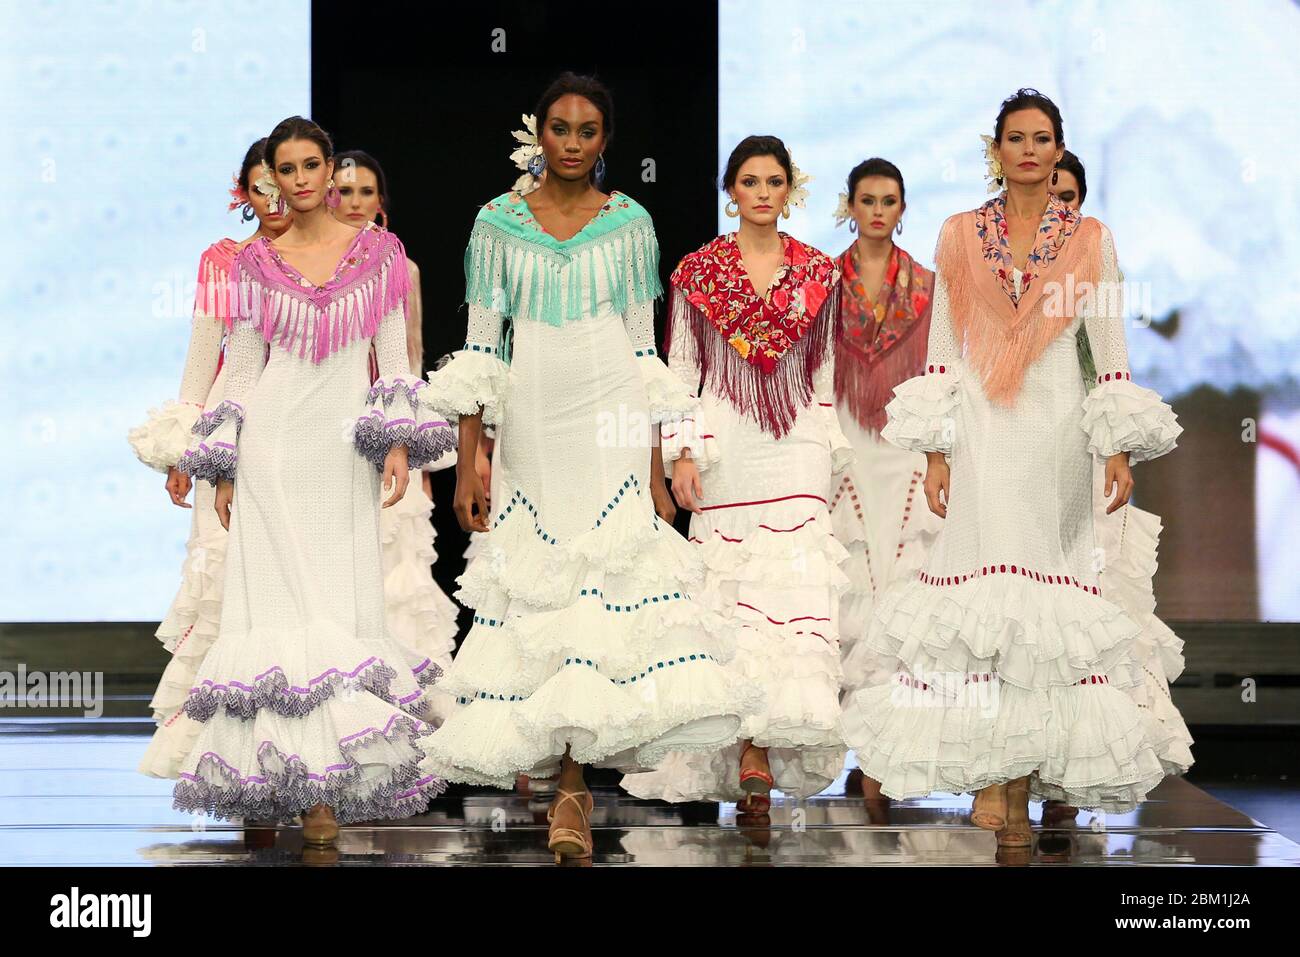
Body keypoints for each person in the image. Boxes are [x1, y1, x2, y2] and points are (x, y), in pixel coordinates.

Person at [420, 73, 759, 862]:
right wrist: (472, 461)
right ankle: (553, 760)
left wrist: (652, 461)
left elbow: (643, 349)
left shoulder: (630, 222)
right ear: (538, 131)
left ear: (607, 141)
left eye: (588, 132)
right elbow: (480, 347)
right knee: (541, 581)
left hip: (610, 412)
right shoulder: (496, 222)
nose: (572, 144)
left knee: (602, 583)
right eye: (560, 129)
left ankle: (574, 779)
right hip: (535, 419)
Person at [841, 89, 1183, 848]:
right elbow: (942, 343)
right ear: (994, 151)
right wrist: (935, 449)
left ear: (1058, 150)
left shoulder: (1091, 237)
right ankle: (995, 777)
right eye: (1015, 138)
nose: (1029, 150)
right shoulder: (960, 233)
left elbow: (1111, 346)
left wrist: (1116, 444)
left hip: (1058, 433)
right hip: (981, 429)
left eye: (1042, 138)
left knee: (1043, 617)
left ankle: (1022, 776)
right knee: (983, 609)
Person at [173, 116, 455, 845]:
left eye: (310, 166)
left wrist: (397, 444)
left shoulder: (381, 255)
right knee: (276, 615)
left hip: (342, 455)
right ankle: (305, 796)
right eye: (284, 169)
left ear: (332, 170)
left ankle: (326, 782)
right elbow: (240, 366)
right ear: (271, 177)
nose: (298, 181)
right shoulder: (253, 265)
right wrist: (225, 464)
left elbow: (394, 358)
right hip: (271, 448)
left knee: (337, 607)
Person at [622, 135, 851, 815]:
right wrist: (681, 452)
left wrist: (829, 446)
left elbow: (829, 369)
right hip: (726, 446)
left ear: (790, 190)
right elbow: (682, 370)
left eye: (773, 180)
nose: (761, 192)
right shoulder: (699, 272)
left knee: (794, 593)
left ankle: (765, 744)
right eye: (748, 180)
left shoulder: (817, 272)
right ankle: (745, 744)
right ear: (731, 191)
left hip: (797, 441)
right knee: (730, 597)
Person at [130, 139, 291, 778]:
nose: (275, 200)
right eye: (261, 189)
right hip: (231, 425)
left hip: (303, 422)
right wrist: (183, 447)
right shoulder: (223, 261)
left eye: (281, 183)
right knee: (223, 574)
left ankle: (292, 746)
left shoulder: (332, 253)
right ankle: (224, 756)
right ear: (244, 195)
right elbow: (203, 354)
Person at [331, 148, 459, 719]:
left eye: (365, 192)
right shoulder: (302, 264)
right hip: (323, 430)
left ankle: (403, 717)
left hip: (386, 434)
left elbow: (409, 356)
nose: (354, 202)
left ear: (381, 201)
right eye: (343, 190)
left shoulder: (401, 270)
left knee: (397, 570)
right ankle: (339, 708)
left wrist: (418, 454)